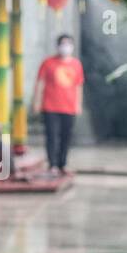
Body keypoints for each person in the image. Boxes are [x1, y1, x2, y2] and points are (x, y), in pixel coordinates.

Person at [32, 33, 85, 176]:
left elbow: (79, 86)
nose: (66, 47)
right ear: (58, 46)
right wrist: (36, 102)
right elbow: (40, 83)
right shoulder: (48, 63)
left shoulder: (76, 64)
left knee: (66, 137)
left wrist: (78, 104)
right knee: (52, 136)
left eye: (68, 44)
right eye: (63, 44)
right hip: (50, 106)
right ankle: (52, 164)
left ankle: (62, 164)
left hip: (69, 107)